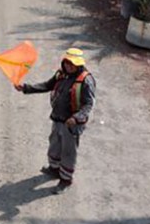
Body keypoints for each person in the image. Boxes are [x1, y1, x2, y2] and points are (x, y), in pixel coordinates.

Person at [15, 47, 96, 195]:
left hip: (71, 124)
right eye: (66, 63)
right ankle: (54, 169)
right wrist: (26, 88)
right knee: (55, 144)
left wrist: (76, 118)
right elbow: (47, 85)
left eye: (72, 64)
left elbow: (89, 104)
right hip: (58, 118)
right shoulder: (61, 74)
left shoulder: (86, 80)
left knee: (68, 151)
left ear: (79, 64)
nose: (68, 66)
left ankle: (65, 179)